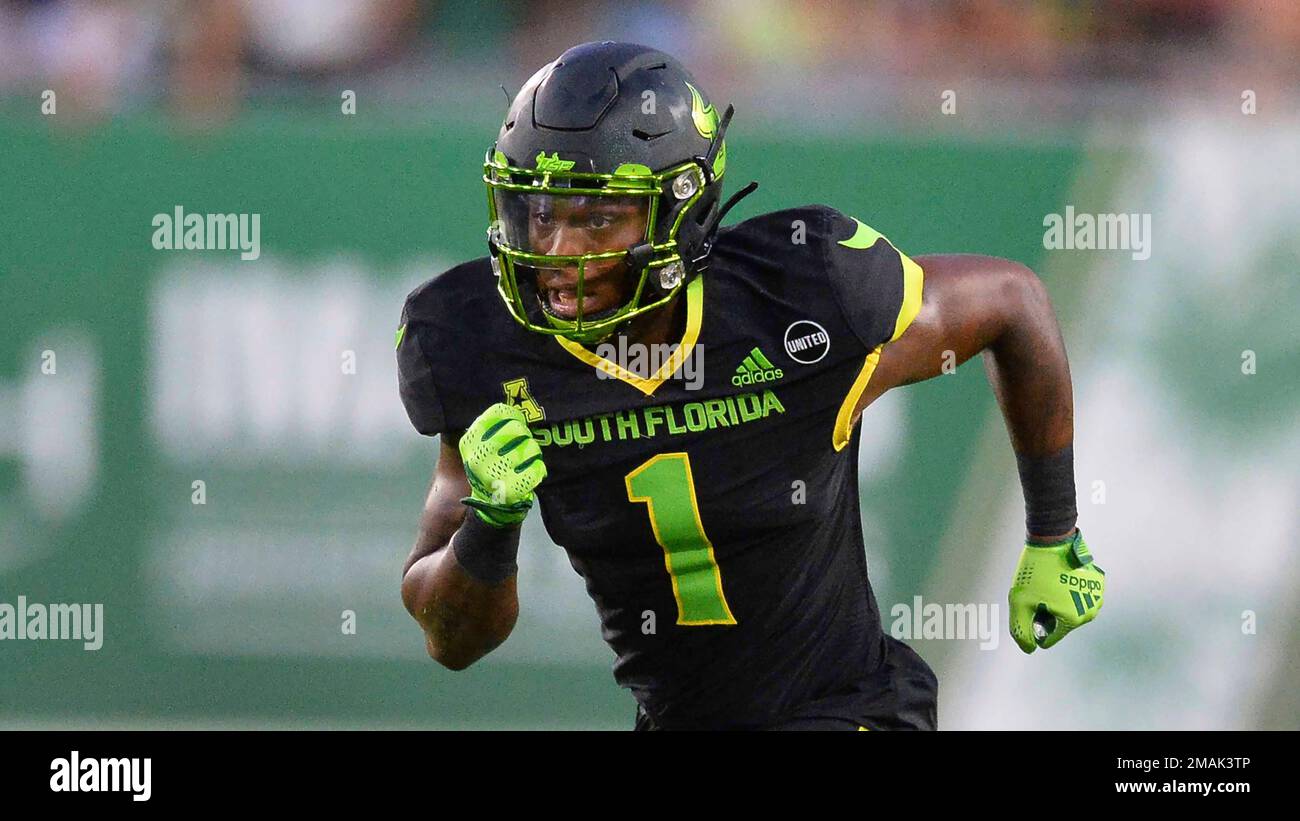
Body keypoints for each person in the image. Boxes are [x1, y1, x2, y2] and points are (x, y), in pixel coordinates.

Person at [396, 41, 1105, 730]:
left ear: (678, 210)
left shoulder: (804, 295)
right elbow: (450, 640)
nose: (557, 252)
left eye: (599, 217)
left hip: (849, 709)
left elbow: (1012, 300)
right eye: (542, 212)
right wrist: (489, 528)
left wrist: (1055, 533)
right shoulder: (476, 346)